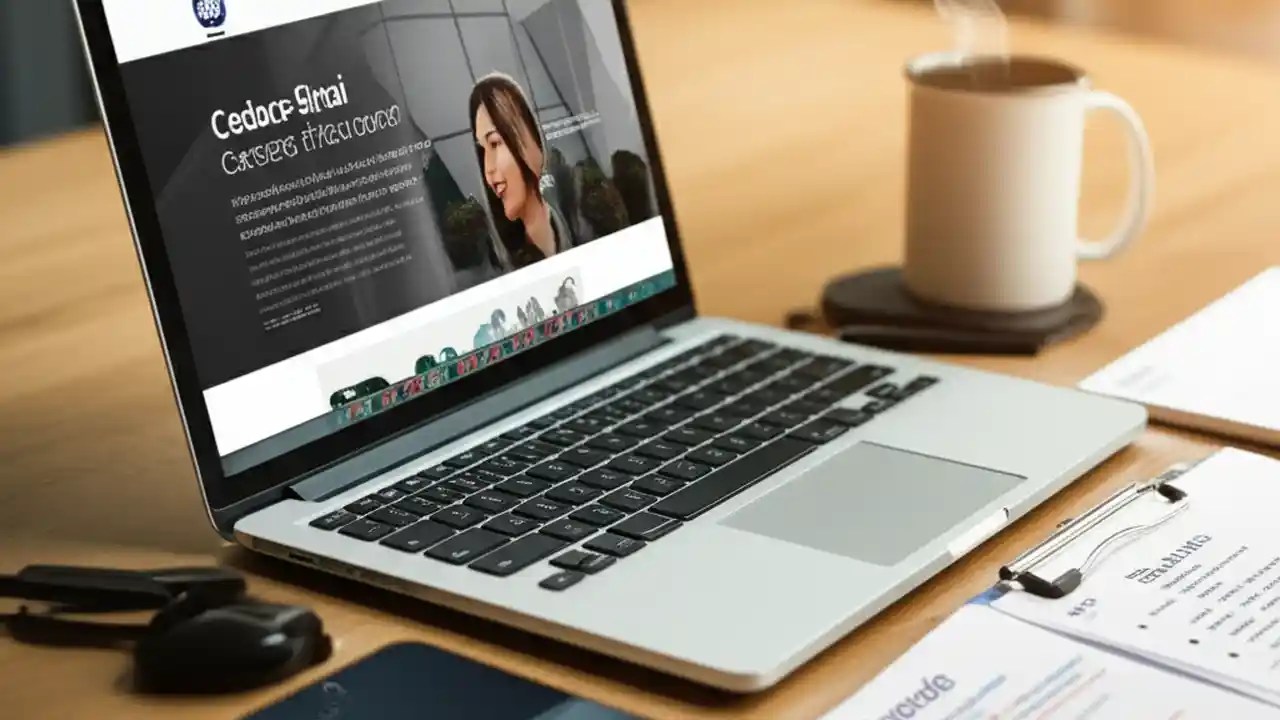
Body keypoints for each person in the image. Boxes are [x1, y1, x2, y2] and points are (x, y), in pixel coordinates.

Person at [468, 73, 575, 271]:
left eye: (494, 143)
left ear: (529, 141)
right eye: (482, 150)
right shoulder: (498, 263)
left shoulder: (574, 225)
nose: (488, 170)